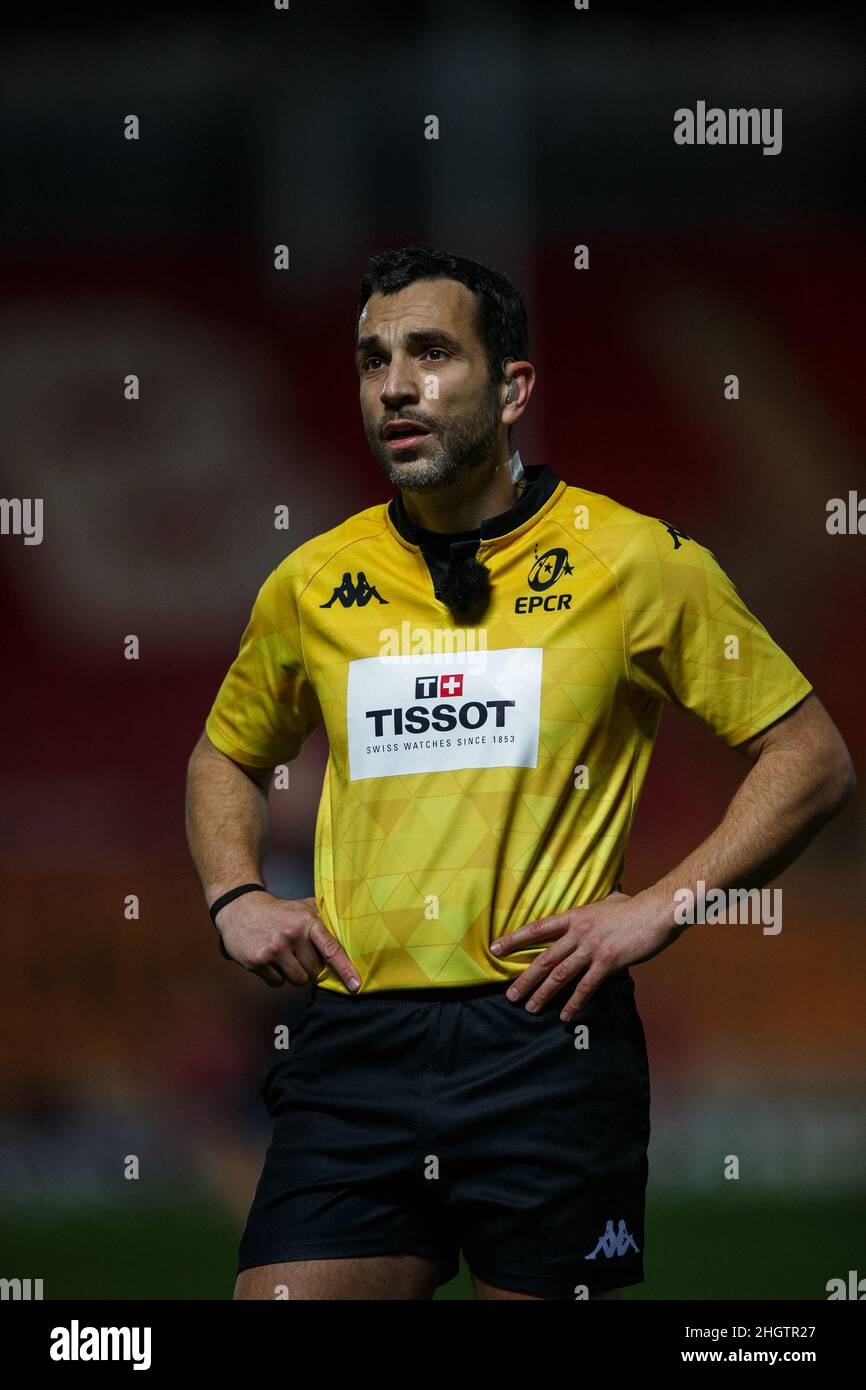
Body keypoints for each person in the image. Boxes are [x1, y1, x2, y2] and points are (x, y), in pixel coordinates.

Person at [185, 245, 855, 1301]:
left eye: (431, 352)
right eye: (372, 359)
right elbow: (227, 751)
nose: (395, 384)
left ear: (512, 387)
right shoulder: (310, 580)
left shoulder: (635, 561)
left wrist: (661, 908)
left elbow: (810, 756)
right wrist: (234, 895)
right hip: (353, 1041)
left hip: (544, 1039)